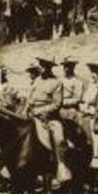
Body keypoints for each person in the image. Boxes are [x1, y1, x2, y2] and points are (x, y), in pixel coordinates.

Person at [27, 57, 69, 187]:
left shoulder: (57, 83)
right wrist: (28, 106)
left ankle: (61, 166)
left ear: (50, 67)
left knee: (59, 138)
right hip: (32, 114)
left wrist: (42, 110)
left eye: (44, 65)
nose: (42, 68)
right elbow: (30, 97)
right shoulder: (37, 81)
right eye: (41, 65)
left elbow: (57, 104)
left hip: (49, 118)